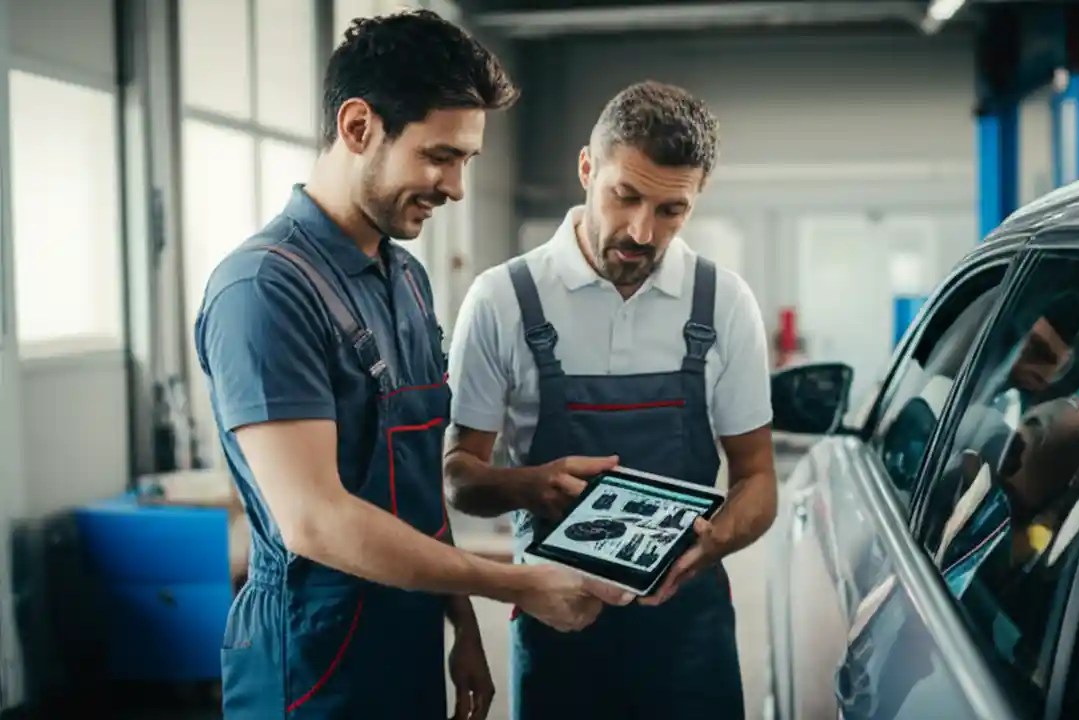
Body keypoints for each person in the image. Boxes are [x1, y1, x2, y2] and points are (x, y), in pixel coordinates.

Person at [194, 11, 630, 720]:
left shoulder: (406, 279)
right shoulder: (264, 290)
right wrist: (512, 584)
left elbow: (417, 484)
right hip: (310, 658)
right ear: (358, 126)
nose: (455, 187)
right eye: (439, 156)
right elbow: (314, 520)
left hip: (408, 631)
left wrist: (462, 621)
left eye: (466, 161)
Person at [445, 80, 779, 719]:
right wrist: (528, 485)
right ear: (586, 169)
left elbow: (758, 478)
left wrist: (710, 544)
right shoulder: (503, 299)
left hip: (690, 630)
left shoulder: (722, 303)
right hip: (557, 622)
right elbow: (459, 477)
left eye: (672, 210)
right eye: (624, 196)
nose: (642, 231)